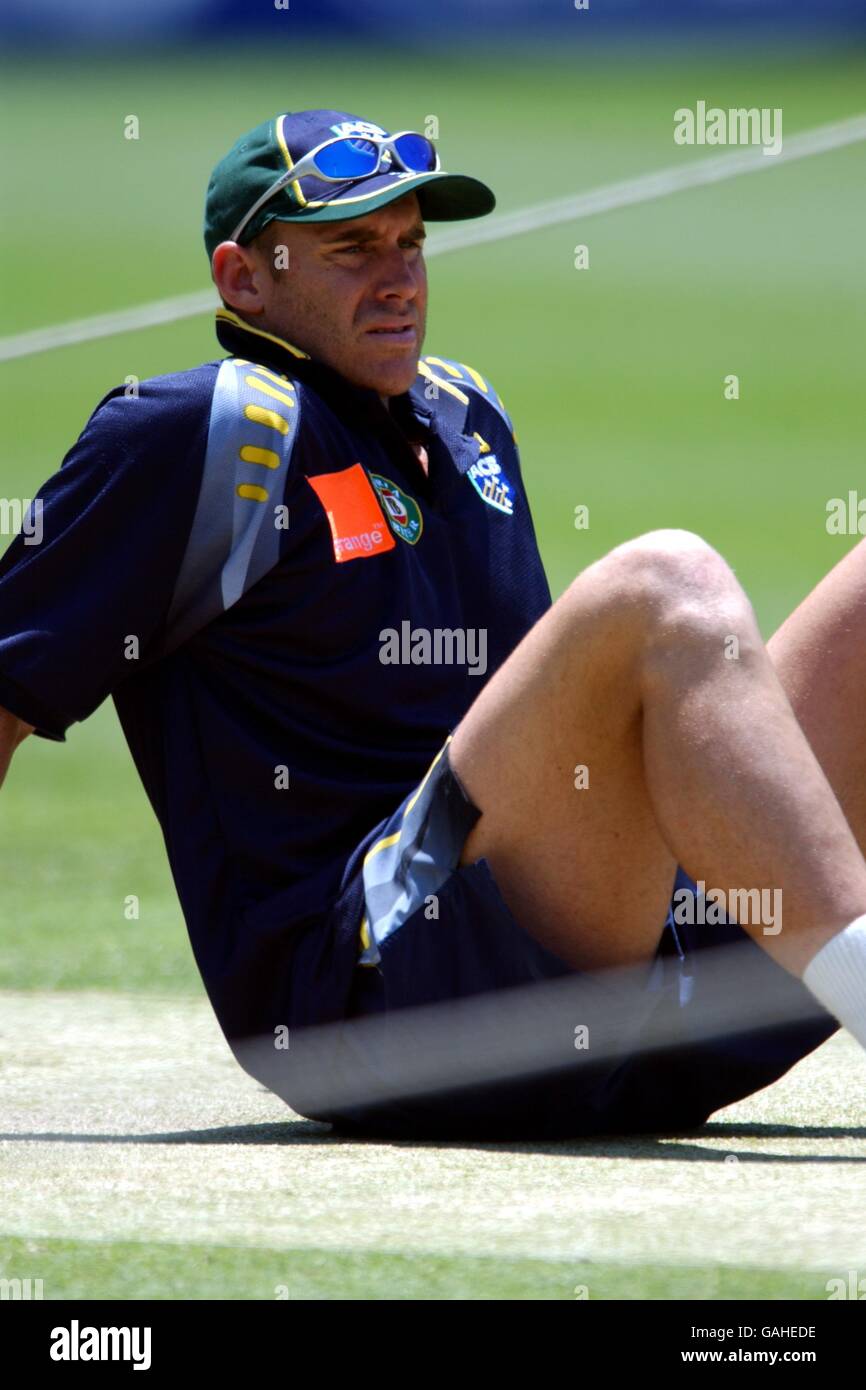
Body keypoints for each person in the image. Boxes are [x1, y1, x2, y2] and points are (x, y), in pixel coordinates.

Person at [1, 109, 864, 1141]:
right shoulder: (200, 431)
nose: (399, 278)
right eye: (350, 248)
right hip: (382, 1008)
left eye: (409, 242)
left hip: (615, 998)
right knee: (664, 584)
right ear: (244, 279)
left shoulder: (464, 416)